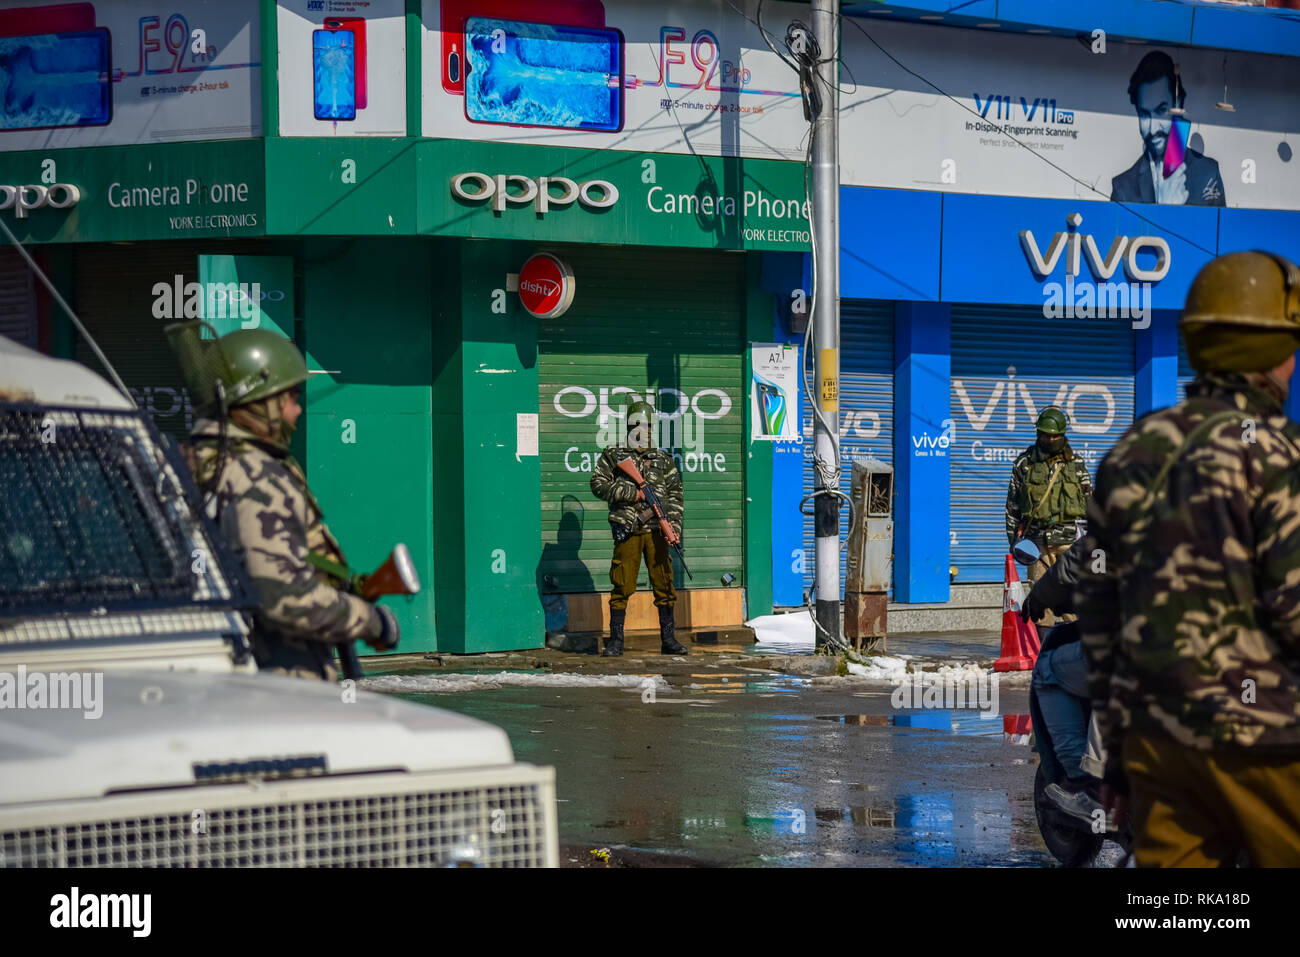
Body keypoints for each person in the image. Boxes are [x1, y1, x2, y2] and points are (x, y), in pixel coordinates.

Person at [1077, 250, 1300, 867]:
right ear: (1276, 351)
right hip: (1268, 743)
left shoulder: (1134, 450)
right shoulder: (1282, 455)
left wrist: (1118, 752)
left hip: (1159, 744)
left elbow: (1101, 617)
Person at [177, 325, 398, 681]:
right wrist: (370, 621)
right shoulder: (254, 475)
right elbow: (281, 596)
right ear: (257, 401)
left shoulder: (190, 459)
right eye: (291, 399)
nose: (297, 412)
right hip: (281, 678)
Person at [589, 400, 686, 657]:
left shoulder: (663, 459)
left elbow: (676, 495)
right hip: (629, 529)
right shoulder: (614, 455)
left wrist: (673, 527)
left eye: (645, 425)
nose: (641, 430)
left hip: (657, 532)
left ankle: (668, 640)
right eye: (636, 425)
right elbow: (597, 483)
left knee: (664, 584)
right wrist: (634, 493)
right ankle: (616, 641)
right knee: (622, 584)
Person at [1005, 406, 1092, 626]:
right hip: (1037, 544)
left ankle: (1077, 649)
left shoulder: (1076, 464)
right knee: (1040, 602)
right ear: (1038, 434)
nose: (1050, 439)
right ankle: (1044, 652)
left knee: (1073, 602)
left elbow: (1090, 504)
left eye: (1055, 435)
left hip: (1071, 543)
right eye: (1046, 435)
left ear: (1063, 435)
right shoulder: (1024, 464)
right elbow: (1012, 506)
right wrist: (1015, 544)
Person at [1110, 51, 1225, 206]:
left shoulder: (1208, 173)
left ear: (1178, 105)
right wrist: (1164, 210)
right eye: (1144, 114)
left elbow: (1216, 229)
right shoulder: (1123, 187)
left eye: (1160, 111)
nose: (1152, 128)